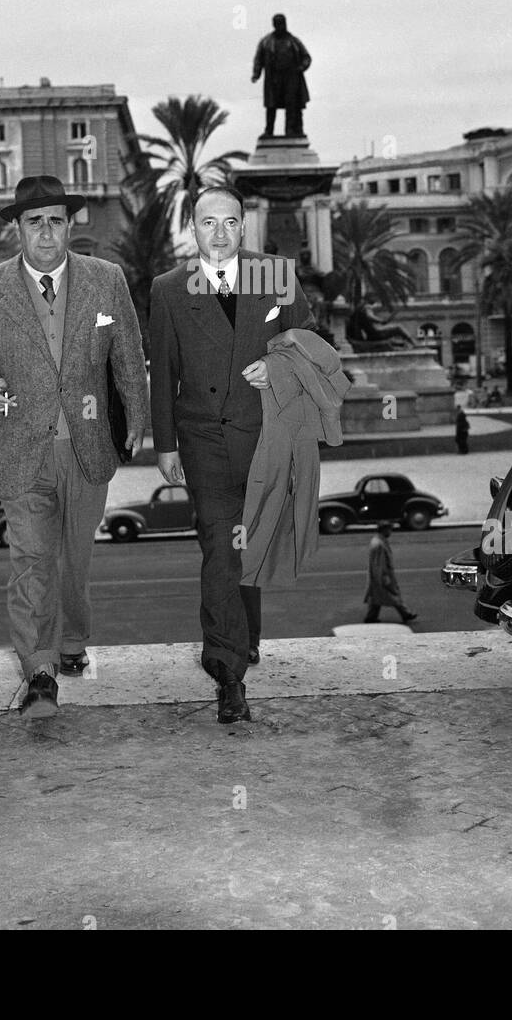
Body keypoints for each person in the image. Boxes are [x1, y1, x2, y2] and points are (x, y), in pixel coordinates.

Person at [0, 174, 149, 721]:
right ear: (18, 228)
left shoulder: (106, 280)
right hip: (19, 448)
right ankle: (40, 672)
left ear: (70, 226)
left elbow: (127, 355)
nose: (46, 232)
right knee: (33, 559)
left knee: (73, 560)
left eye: (56, 221)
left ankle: (72, 639)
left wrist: (137, 416)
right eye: (34, 222)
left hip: (87, 447)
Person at [149, 185, 315, 724]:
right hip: (205, 441)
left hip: (267, 434)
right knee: (221, 547)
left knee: (252, 542)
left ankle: (246, 638)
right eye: (208, 223)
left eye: (229, 223)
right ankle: (228, 673)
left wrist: (281, 368)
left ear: (244, 227)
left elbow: (310, 342)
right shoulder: (169, 289)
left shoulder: (275, 275)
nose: (219, 233)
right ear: (192, 229)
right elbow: (163, 373)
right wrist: (166, 444)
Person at [251, 13, 312, 138]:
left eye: (282, 23)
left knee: (292, 104)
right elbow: (259, 59)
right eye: (278, 23)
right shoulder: (266, 42)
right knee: (271, 106)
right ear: (274, 25)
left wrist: (300, 68)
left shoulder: (294, 41)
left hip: (291, 78)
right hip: (273, 78)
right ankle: (269, 130)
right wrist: (256, 74)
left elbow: (306, 57)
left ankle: (290, 130)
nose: (281, 26)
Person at [363, 521, 418, 624]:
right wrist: (384, 577)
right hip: (382, 576)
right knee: (393, 596)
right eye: (389, 529)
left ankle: (371, 617)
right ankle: (405, 614)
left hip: (378, 576)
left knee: (376, 597)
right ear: (384, 530)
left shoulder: (378, 541)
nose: (390, 532)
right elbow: (379, 564)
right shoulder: (379, 544)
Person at [349, 300, 419, 350]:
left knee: (394, 328)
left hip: (372, 333)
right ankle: (414, 343)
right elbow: (369, 316)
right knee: (398, 327)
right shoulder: (367, 306)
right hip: (376, 333)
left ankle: (407, 343)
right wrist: (380, 320)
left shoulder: (359, 309)